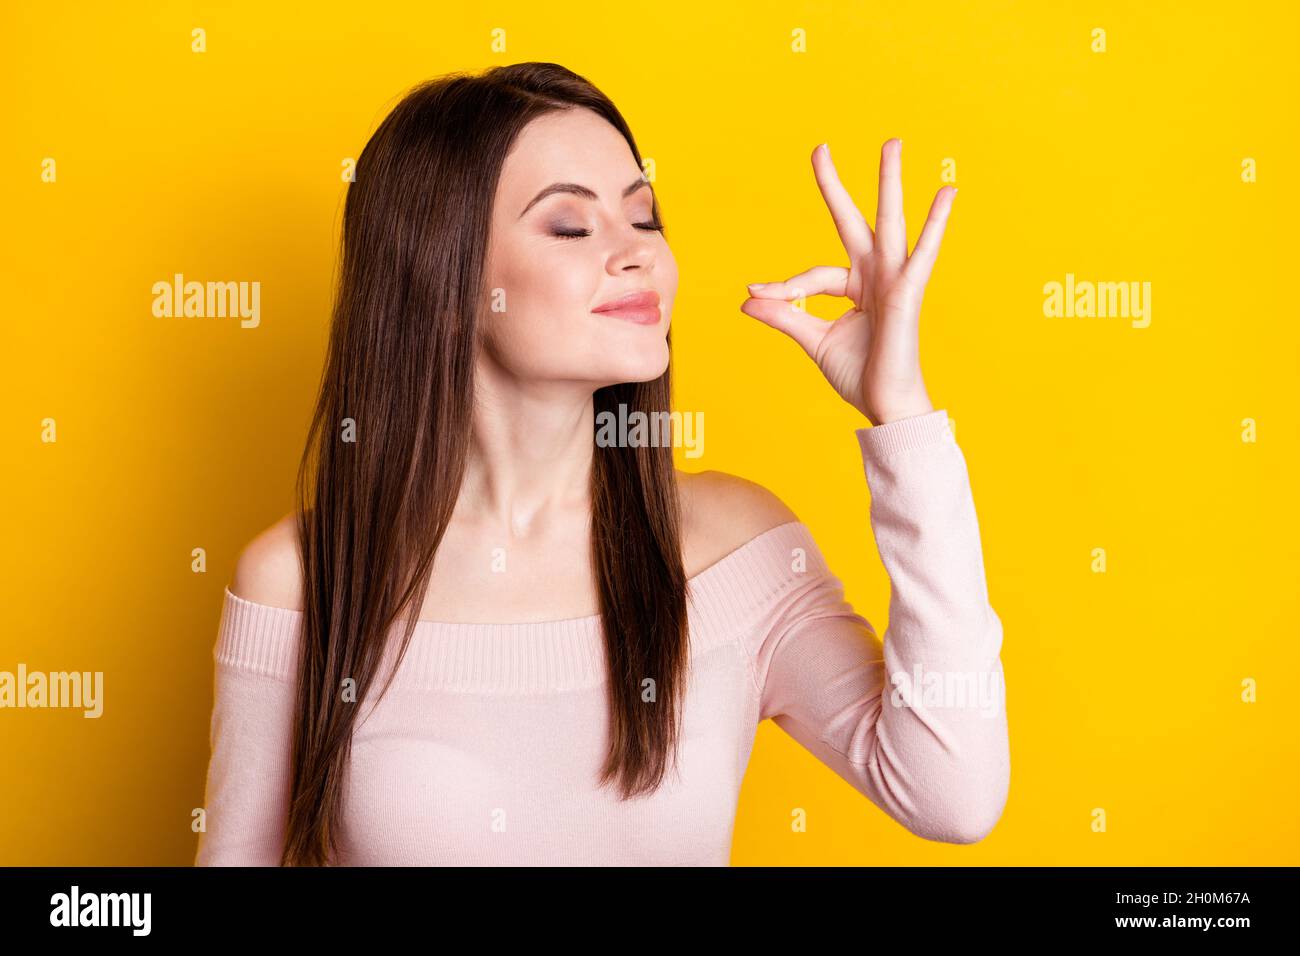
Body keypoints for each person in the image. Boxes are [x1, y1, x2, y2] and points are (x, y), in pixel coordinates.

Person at [194, 62, 1009, 866]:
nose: (637, 255)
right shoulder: (302, 581)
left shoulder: (738, 549)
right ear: (444, 283)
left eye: (644, 218)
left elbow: (952, 792)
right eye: (572, 227)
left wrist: (902, 413)